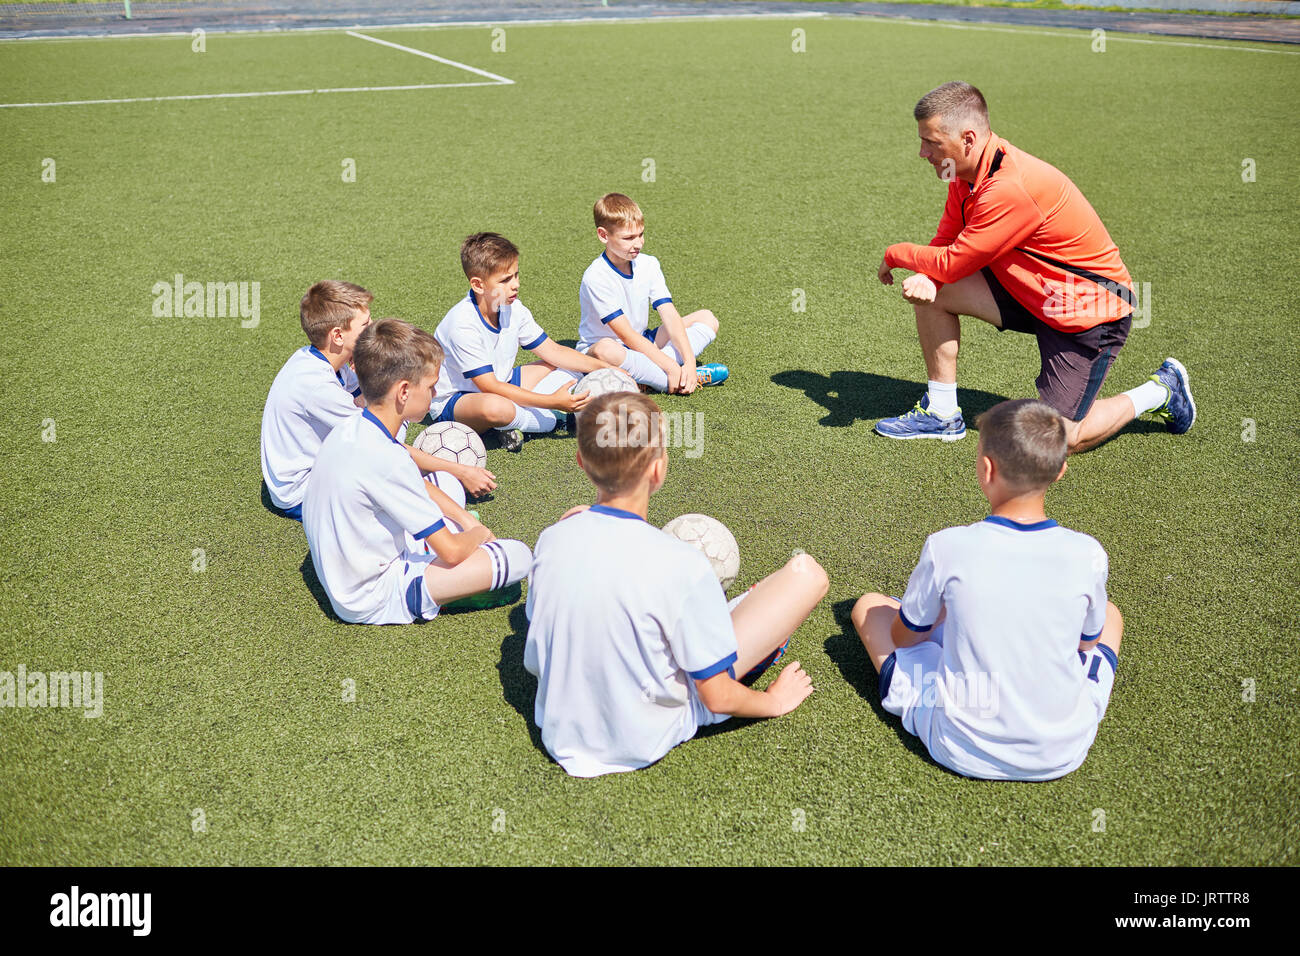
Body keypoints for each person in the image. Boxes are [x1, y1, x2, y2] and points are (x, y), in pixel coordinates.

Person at [875, 82, 1194, 453]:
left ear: (967, 138)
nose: (922, 152)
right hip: (1033, 291)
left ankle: (1160, 390)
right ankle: (943, 414)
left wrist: (896, 253)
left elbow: (955, 260)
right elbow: (947, 239)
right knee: (935, 286)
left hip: (1088, 311)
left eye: (931, 142)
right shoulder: (965, 173)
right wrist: (929, 276)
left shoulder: (1009, 187)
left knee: (1057, 441)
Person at [523, 392, 826, 777]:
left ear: (582, 462)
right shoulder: (683, 564)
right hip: (646, 734)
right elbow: (715, 696)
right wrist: (773, 701)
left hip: (560, 730)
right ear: (658, 469)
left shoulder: (551, 539)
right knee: (806, 573)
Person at [852, 399, 1123, 780]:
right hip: (1063, 748)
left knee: (869, 607)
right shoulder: (1088, 553)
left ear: (986, 468)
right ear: (1061, 470)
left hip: (959, 745)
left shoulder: (947, 546)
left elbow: (903, 637)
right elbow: (1085, 645)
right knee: (1110, 614)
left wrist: (940, 617)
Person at [303, 318, 530, 624]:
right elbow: (450, 552)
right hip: (375, 592)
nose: (435, 393)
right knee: (517, 557)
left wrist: (462, 518)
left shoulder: (353, 424)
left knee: (444, 481)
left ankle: (432, 544)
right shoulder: (387, 458)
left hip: (348, 566)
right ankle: (443, 593)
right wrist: (477, 533)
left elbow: (416, 483)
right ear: (404, 392)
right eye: (431, 385)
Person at [261, 281, 493, 520]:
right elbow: (381, 441)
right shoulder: (318, 387)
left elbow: (363, 398)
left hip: (323, 467)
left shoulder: (321, 360)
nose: (372, 329)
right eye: (365, 324)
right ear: (338, 336)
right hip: (302, 492)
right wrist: (461, 471)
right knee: (413, 478)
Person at [431, 233, 613, 453]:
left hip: (502, 382)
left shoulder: (512, 308)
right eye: (505, 280)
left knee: (565, 363)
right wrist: (553, 403)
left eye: (516, 275)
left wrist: (610, 369)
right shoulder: (462, 324)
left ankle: (512, 423)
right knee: (496, 407)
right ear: (478, 285)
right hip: (460, 401)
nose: (516, 285)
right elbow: (489, 387)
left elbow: (553, 351)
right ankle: (556, 420)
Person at [578, 193, 729, 394]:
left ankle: (657, 376)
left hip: (644, 341)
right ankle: (669, 379)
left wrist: (690, 363)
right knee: (605, 349)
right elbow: (626, 335)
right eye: (629, 238)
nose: (638, 243)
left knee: (707, 318)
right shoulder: (596, 276)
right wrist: (670, 365)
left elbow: (670, 315)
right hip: (610, 350)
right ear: (603, 235)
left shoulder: (649, 263)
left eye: (641, 234)